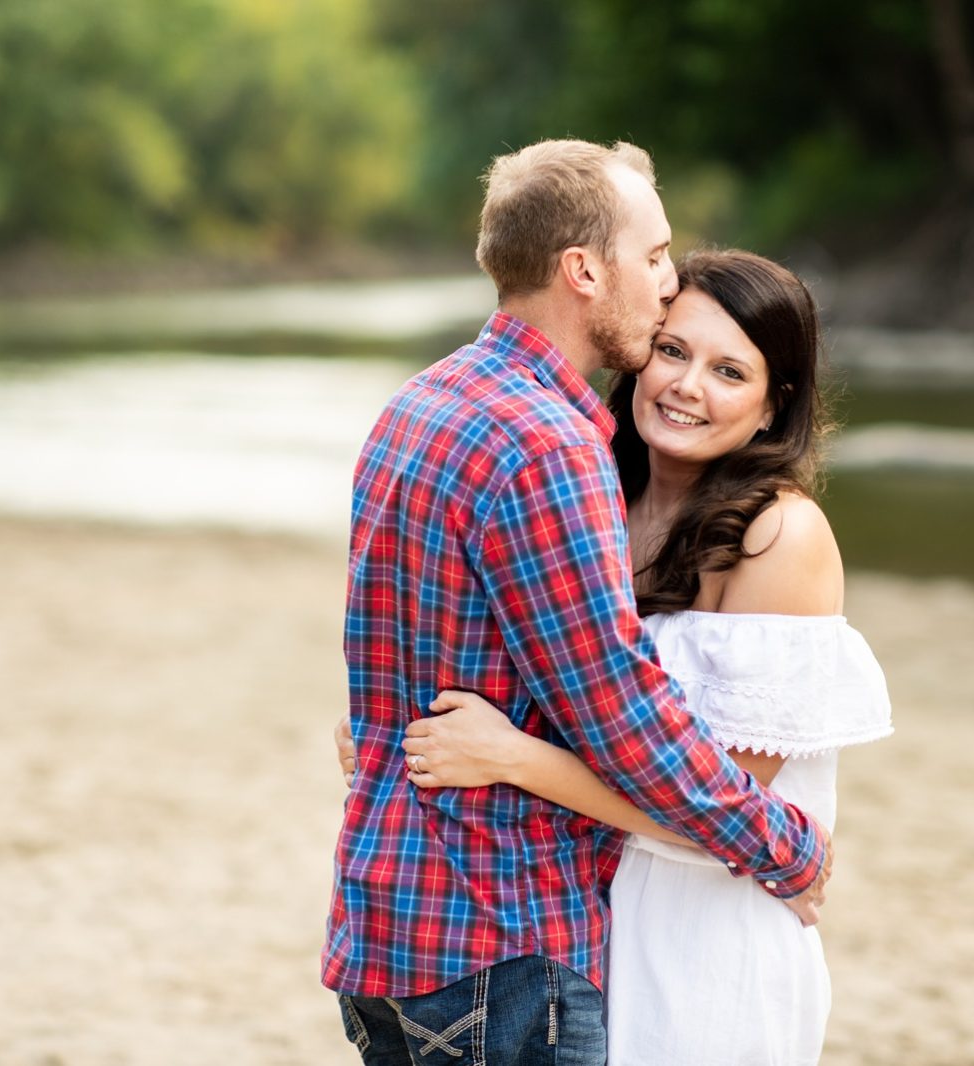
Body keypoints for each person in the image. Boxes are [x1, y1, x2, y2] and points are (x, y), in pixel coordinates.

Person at [323, 140, 834, 1066]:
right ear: (584, 270)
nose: (666, 279)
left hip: (390, 917)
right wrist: (781, 845)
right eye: (654, 257)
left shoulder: (421, 401)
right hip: (498, 930)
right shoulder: (550, 447)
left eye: (727, 369)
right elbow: (617, 708)